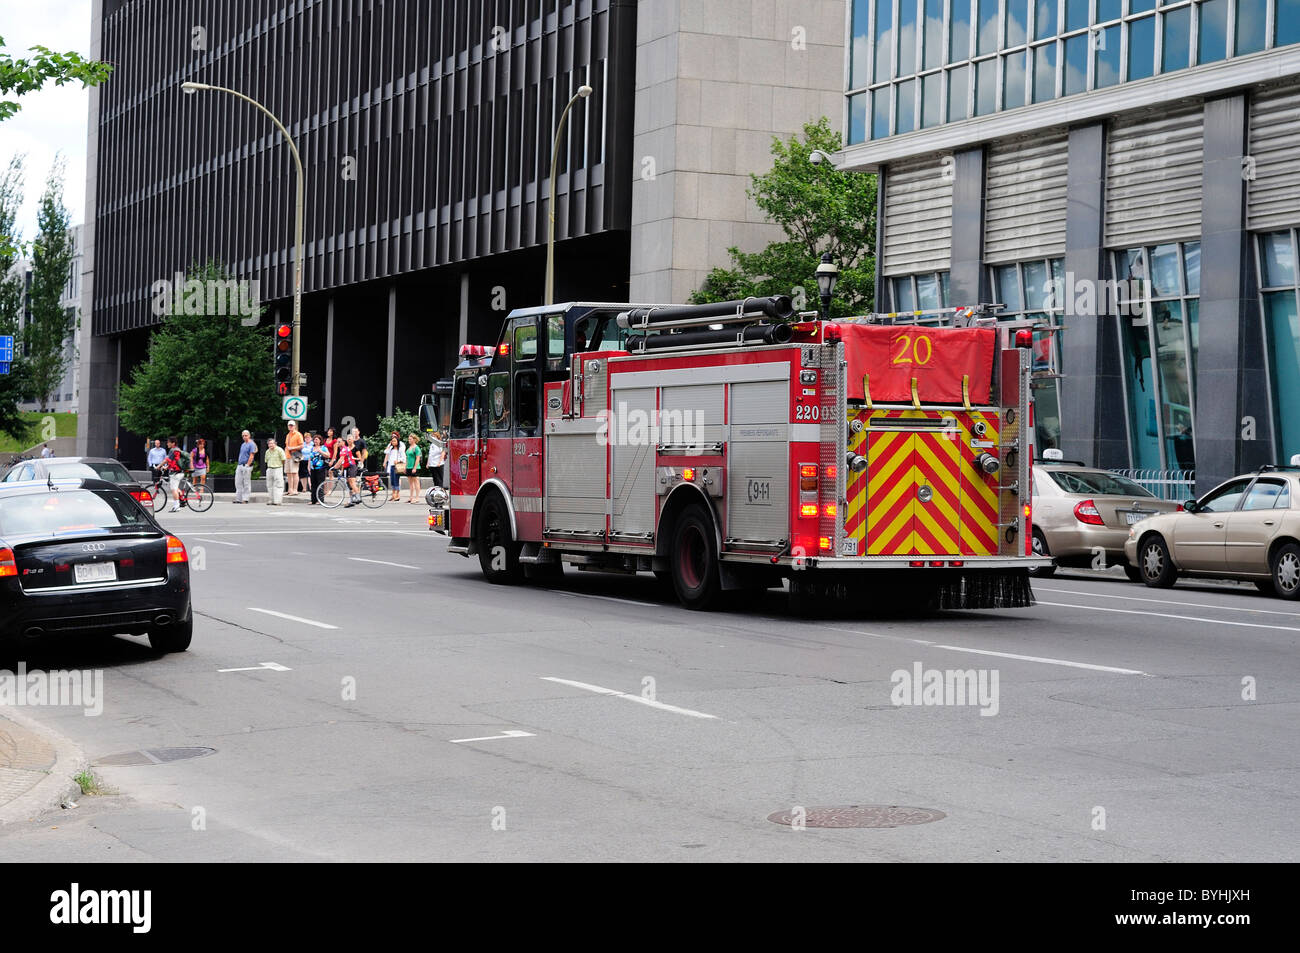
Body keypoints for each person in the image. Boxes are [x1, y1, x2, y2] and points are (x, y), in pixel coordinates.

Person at [163, 436, 185, 513]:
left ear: (173, 443)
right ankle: (182, 499)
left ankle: (176, 506)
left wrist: (159, 466)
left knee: (173, 489)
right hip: (180, 472)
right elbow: (173, 462)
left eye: (168, 442)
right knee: (175, 487)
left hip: (176, 473)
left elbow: (167, 460)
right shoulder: (178, 450)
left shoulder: (173, 450)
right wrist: (167, 467)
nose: (167, 444)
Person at [234, 430, 256, 503]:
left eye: (246, 435)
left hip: (246, 465)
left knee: (246, 483)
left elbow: (252, 455)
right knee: (238, 482)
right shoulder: (243, 444)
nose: (244, 437)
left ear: (249, 436)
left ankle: (245, 499)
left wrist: (247, 465)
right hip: (240, 465)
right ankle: (238, 499)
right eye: (243, 435)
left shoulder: (252, 444)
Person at [264, 435, 287, 505]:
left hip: (278, 468)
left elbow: (283, 460)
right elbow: (266, 461)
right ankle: (271, 500)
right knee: (269, 485)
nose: (270, 445)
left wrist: (280, 467)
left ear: (275, 443)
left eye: (272, 443)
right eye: (269, 443)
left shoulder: (279, 450)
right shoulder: (267, 451)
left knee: (278, 485)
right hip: (270, 468)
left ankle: (277, 501)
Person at [285, 421, 305, 496]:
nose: (290, 426)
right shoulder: (288, 435)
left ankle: (295, 489)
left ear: (295, 426)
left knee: (294, 472)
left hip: (294, 456)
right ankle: (290, 489)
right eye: (289, 425)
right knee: (288, 473)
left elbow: (302, 445)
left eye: (292, 425)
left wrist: (292, 448)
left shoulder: (298, 434)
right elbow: (286, 446)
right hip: (288, 456)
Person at [307, 436, 328, 504]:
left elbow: (328, 455)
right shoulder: (312, 448)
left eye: (317, 439)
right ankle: (313, 500)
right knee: (313, 484)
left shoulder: (323, 447)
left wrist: (321, 451)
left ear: (320, 440)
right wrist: (308, 466)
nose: (315, 441)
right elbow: (310, 458)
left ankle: (320, 500)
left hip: (320, 468)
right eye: (314, 440)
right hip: (313, 468)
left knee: (320, 484)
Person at [383, 433, 404, 501]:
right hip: (391, 465)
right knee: (392, 480)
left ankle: (397, 495)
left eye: (395, 441)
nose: (393, 442)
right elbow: (385, 452)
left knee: (396, 480)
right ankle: (393, 494)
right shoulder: (391, 448)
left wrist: (398, 461)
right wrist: (389, 445)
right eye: (392, 441)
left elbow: (403, 458)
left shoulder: (400, 449)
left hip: (396, 466)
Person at [405, 432, 423, 503]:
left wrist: (415, 468)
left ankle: (417, 497)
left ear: (414, 440)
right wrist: (405, 467)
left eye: (410, 439)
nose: (409, 440)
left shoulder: (416, 448)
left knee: (416, 482)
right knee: (410, 483)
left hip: (415, 467)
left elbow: (418, 459)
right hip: (408, 467)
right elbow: (407, 458)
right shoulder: (409, 448)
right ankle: (411, 497)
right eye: (408, 439)